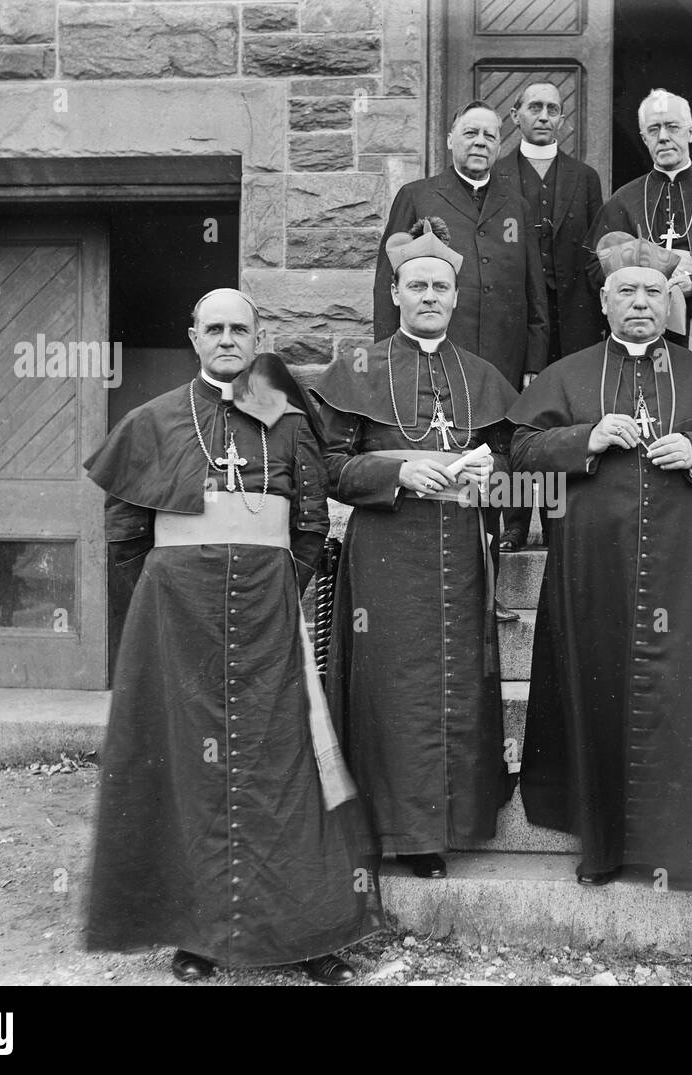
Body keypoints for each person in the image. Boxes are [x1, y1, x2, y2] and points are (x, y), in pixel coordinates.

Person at [83, 288, 381, 984]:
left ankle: (309, 931)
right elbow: (126, 537)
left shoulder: (287, 419)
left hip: (270, 614)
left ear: (258, 337)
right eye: (212, 328)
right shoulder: (151, 422)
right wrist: (172, 600)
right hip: (178, 618)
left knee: (289, 765)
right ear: (193, 337)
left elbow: (309, 527)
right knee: (189, 765)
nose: (226, 338)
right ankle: (198, 933)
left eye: (238, 328)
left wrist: (273, 589)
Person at [507, 231, 692, 889]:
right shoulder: (568, 374)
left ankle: (682, 844)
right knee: (596, 689)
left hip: (684, 573)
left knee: (683, 699)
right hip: (590, 566)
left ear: (669, 301)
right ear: (604, 301)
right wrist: (582, 438)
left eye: (653, 291)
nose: (641, 303)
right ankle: (603, 848)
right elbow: (523, 452)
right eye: (627, 291)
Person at [316, 220, 518, 880]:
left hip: (461, 545)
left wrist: (496, 477)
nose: (429, 295)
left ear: (455, 299)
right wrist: (397, 473)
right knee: (394, 685)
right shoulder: (358, 368)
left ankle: (454, 823)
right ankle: (397, 829)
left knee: (458, 681)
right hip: (386, 549)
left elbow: (513, 459)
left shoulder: (482, 375)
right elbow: (330, 465)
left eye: (441, 285)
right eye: (417, 284)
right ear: (396, 293)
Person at [373, 100, 550, 571]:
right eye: (471, 134)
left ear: (500, 144)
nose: (480, 143)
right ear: (450, 140)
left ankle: (498, 545)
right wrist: (390, 355)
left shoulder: (516, 204)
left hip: (502, 356)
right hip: (436, 354)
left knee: (496, 456)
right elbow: (386, 282)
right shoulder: (417, 194)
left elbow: (535, 286)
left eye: (490, 136)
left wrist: (534, 359)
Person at [500, 80, 607, 547]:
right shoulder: (499, 175)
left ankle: (559, 523)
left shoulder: (584, 178)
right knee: (518, 420)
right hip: (521, 322)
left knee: (565, 420)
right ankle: (516, 524)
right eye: (535, 108)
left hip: (575, 320)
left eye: (553, 109)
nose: (544, 116)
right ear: (515, 115)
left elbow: (596, 250)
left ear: (562, 120)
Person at [585, 88, 692, 369]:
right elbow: (596, 269)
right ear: (644, 139)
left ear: (690, 132)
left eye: (672, 127)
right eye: (654, 129)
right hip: (639, 329)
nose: (663, 136)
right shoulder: (623, 200)